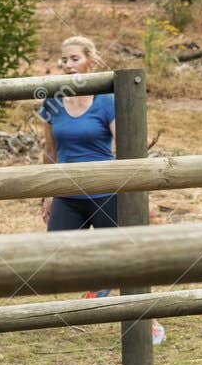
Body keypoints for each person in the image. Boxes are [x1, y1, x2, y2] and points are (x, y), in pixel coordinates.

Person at [38, 35, 163, 342]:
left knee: (128, 257)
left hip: (105, 191)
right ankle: (101, 281)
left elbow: (126, 146)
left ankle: (149, 320)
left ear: (91, 62)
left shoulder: (106, 101)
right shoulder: (53, 101)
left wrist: (135, 185)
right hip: (67, 193)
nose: (68, 65)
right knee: (57, 253)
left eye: (75, 59)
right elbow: (49, 151)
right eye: (64, 60)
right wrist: (45, 194)